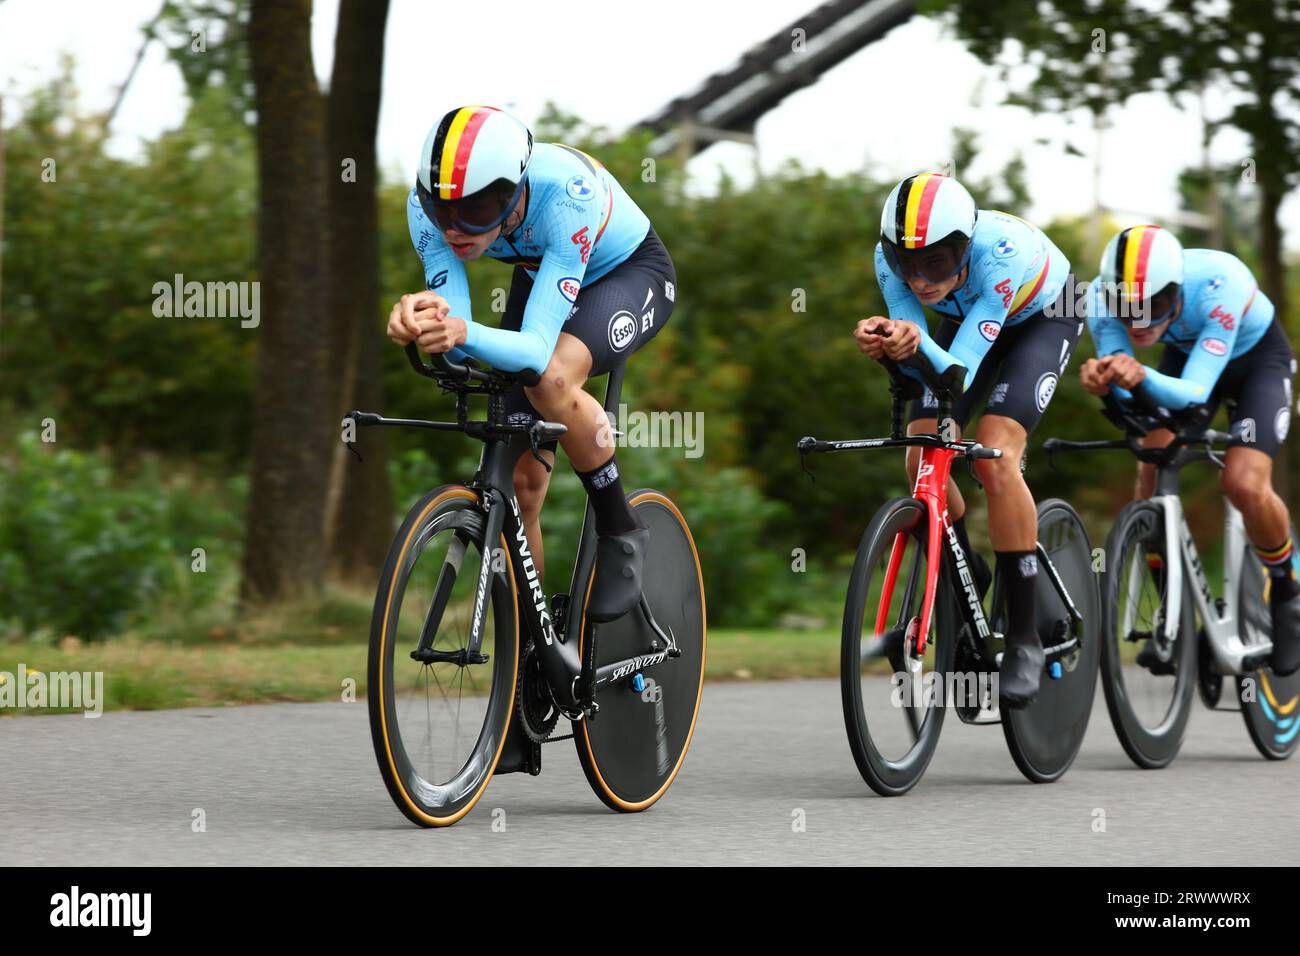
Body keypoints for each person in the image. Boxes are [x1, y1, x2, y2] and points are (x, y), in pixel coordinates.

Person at [386, 105, 677, 622]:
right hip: (541, 271)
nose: (455, 230)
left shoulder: (566, 198)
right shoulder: (425, 211)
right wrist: (424, 323)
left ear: (515, 189)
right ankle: (527, 660)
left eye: (476, 210)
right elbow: (457, 345)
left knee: (550, 379)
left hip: (625, 273)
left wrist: (462, 331)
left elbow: (537, 354)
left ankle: (621, 527)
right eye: (442, 211)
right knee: (520, 488)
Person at [855, 172, 1080, 706]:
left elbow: (961, 367)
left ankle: (1023, 636)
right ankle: (966, 567)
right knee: (920, 459)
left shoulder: (998, 255)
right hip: (969, 325)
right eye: (907, 263)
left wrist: (912, 346)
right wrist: (891, 341)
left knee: (995, 454)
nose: (920, 279)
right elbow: (917, 357)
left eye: (936, 261)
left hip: (1043, 317)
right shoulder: (892, 264)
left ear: (964, 245)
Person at [1080, 224, 1300, 676]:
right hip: (1183, 360)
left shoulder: (1223, 283)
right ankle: (1172, 615)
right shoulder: (1099, 298)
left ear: (1176, 290)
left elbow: (1196, 391)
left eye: (1153, 306)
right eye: (1128, 308)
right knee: (1151, 464)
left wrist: (1136, 377)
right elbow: (1129, 398)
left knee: (1241, 481)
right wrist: (1106, 383)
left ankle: (1286, 590)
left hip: (1255, 362)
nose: (1139, 321)